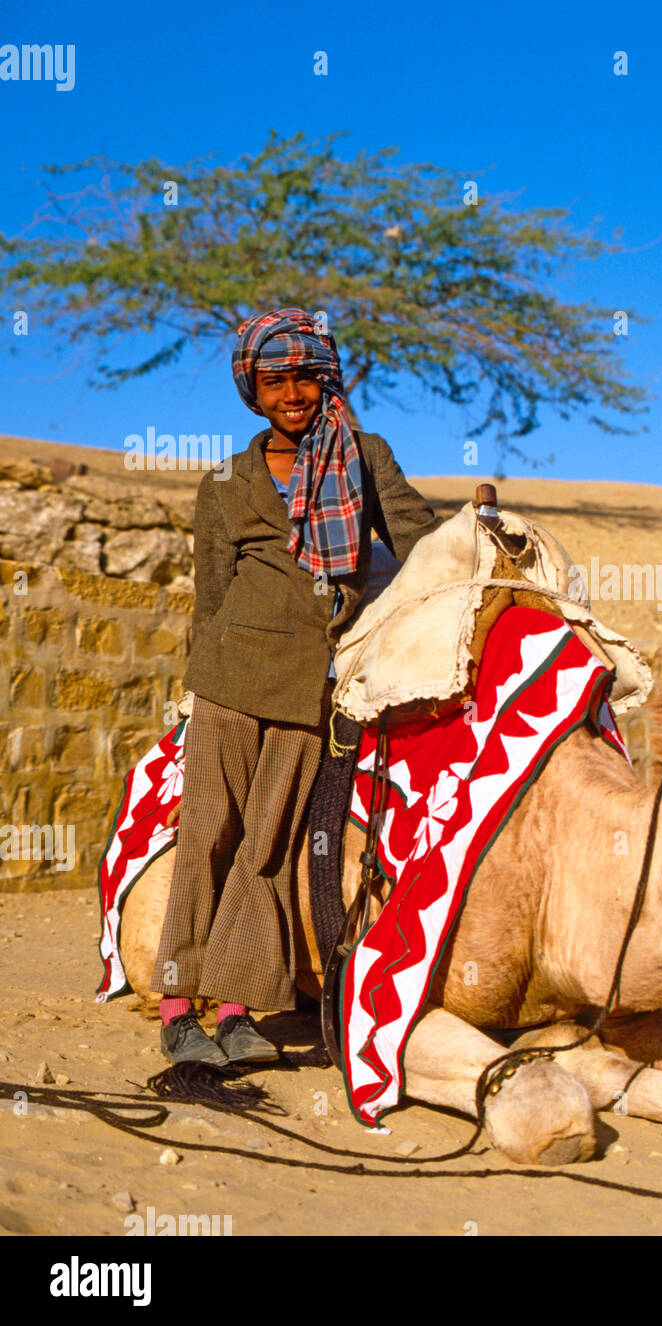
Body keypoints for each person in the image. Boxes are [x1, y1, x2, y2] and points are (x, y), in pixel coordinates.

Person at [152, 308, 440, 1065]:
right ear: (252, 387)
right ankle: (179, 1008)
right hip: (227, 680)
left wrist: (488, 551)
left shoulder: (364, 457)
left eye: (306, 377)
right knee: (207, 834)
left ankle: (241, 1007)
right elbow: (211, 594)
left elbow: (423, 545)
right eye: (275, 379)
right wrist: (191, 692)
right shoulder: (226, 482)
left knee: (271, 846)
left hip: (312, 686)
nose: (293, 393)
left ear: (327, 380)